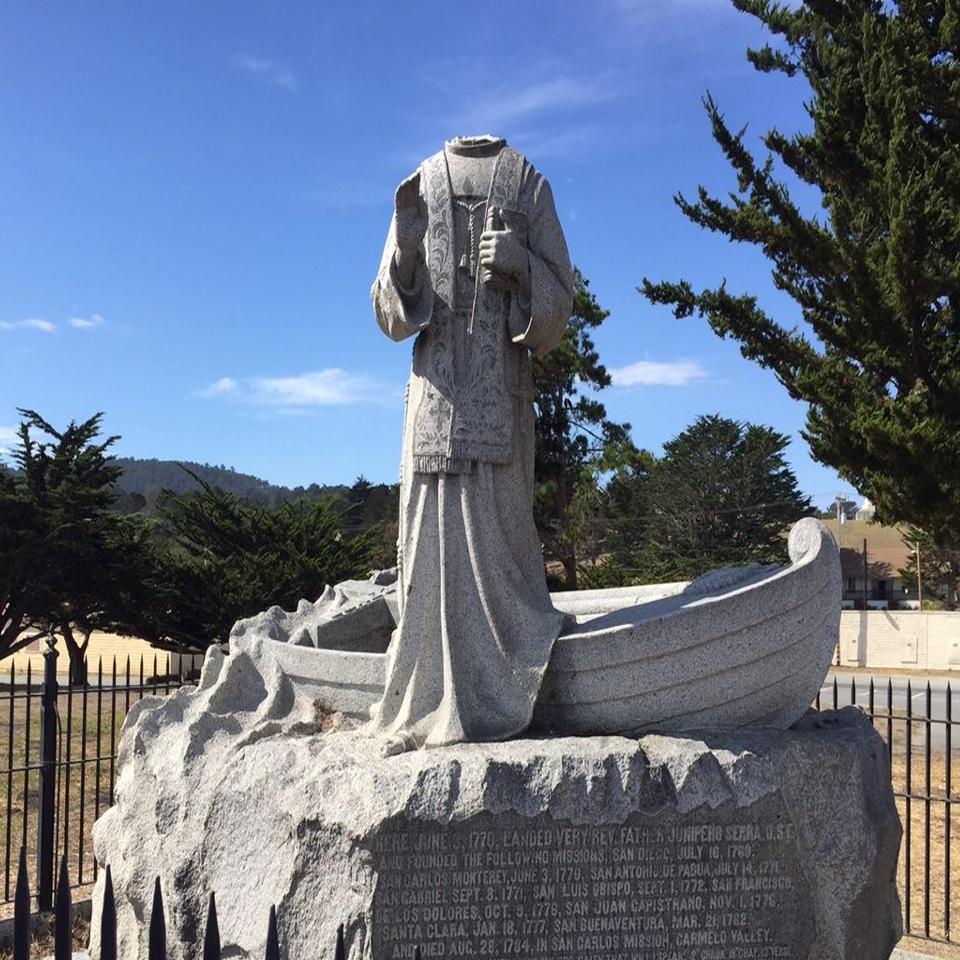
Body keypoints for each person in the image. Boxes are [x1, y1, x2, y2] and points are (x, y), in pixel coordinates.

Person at [369, 134, 573, 752]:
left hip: (498, 408)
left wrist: (522, 265)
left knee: (501, 555)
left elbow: (562, 305)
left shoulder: (528, 184)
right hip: (432, 412)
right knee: (428, 564)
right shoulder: (420, 185)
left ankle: (507, 690)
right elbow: (386, 313)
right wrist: (406, 252)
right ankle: (425, 699)